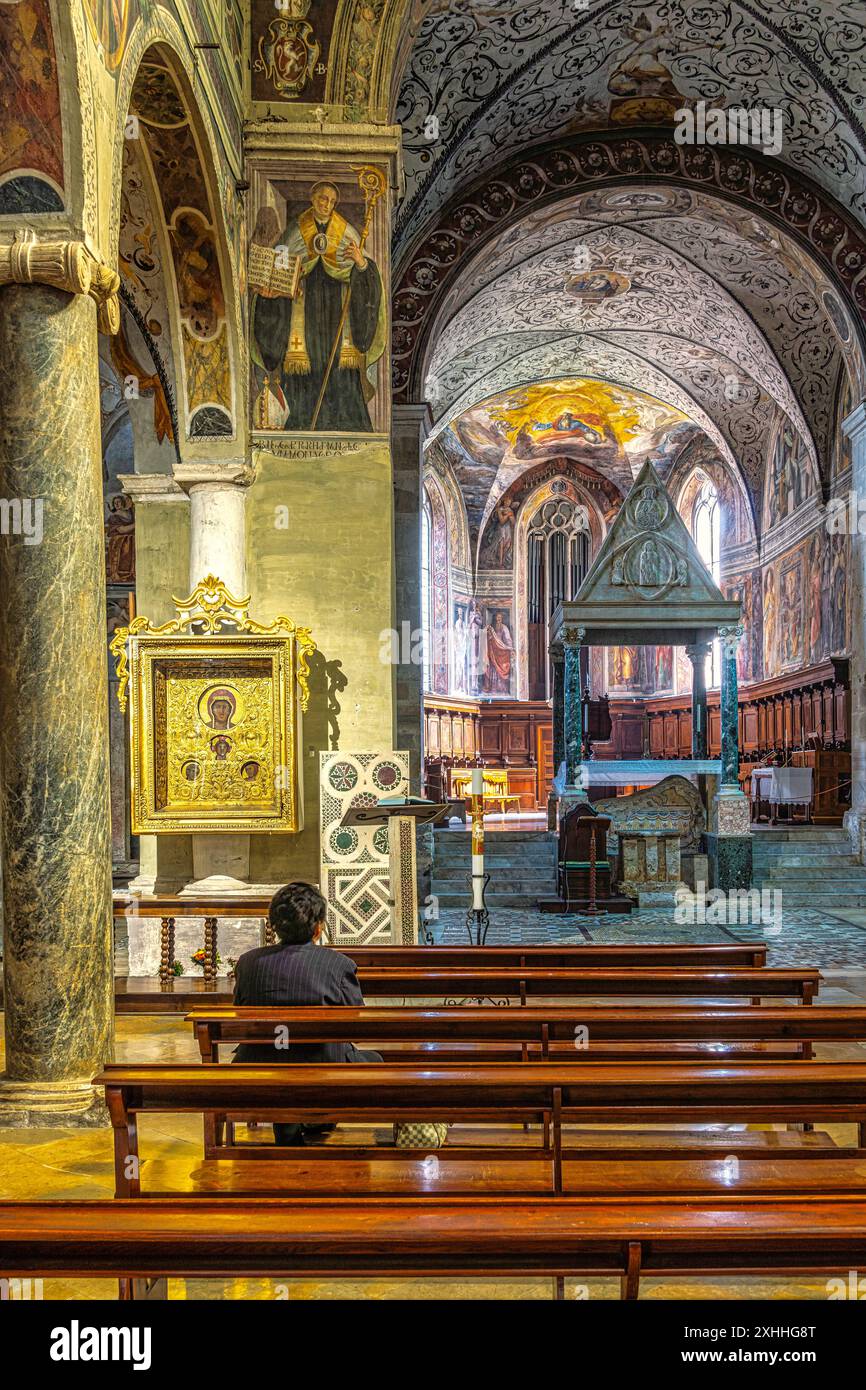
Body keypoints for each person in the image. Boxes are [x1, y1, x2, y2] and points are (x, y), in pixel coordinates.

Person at [232, 881, 381, 1146]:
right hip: (322, 1069)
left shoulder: (249, 963)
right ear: (318, 927)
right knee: (375, 1060)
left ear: (275, 924)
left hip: (259, 1067)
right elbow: (356, 1024)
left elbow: (239, 1012)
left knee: (286, 1061)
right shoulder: (338, 965)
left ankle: (291, 1122)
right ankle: (316, 1119)